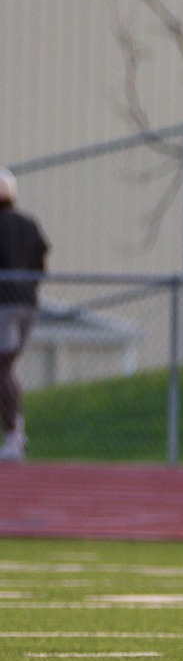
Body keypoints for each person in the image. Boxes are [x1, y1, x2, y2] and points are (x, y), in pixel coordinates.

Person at [0, 168, 50, 463]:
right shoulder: (29, 224)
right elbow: (42, 264)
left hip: (4, 304)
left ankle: (14, 434)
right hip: (28, 303)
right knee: (5, 369)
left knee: (2, 370)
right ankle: (14, 428)